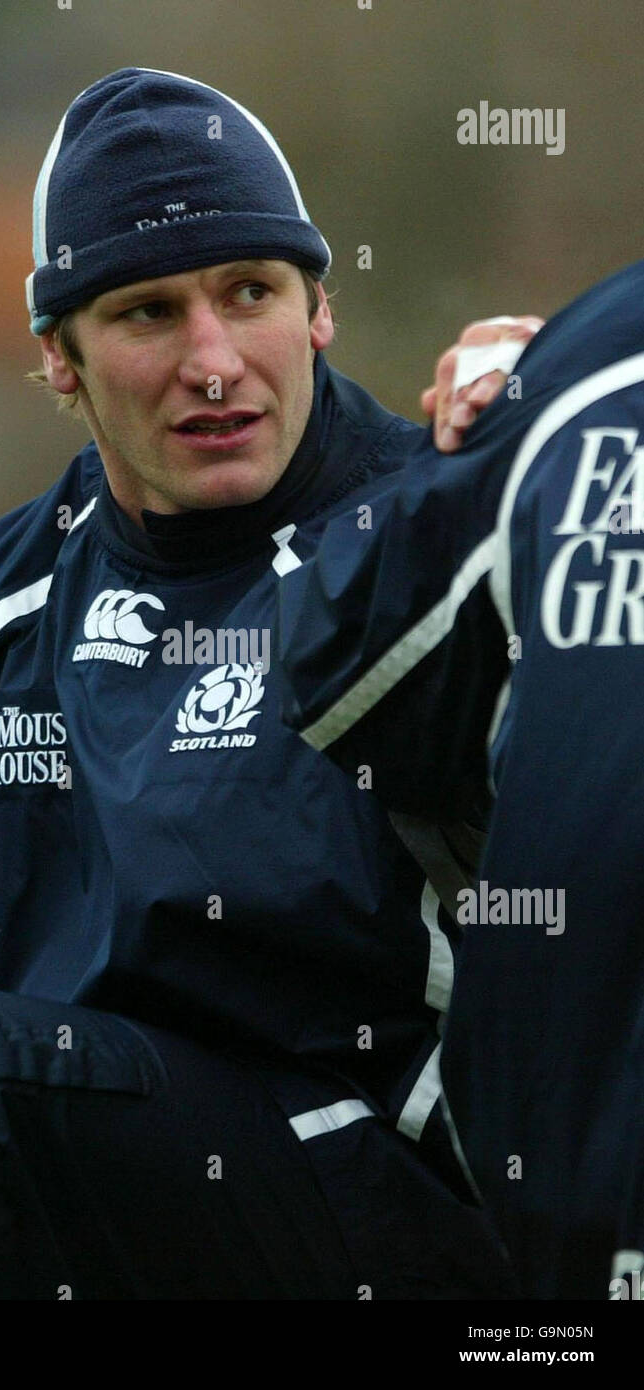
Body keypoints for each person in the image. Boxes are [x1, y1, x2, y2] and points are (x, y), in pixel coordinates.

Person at [0, 67, 534, 1299]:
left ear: (317, 309)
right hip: (68, 1187)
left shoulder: (439, 542)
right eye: (146, 312)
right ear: (59, 358)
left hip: (388, 1213)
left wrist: (565, 441)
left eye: (248, 294)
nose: (211, 360)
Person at [278, 257, 644, 1300]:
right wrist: (476, 444)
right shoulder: (578, 373)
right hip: (552, 1216)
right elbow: (341, 679)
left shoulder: (586, 360)